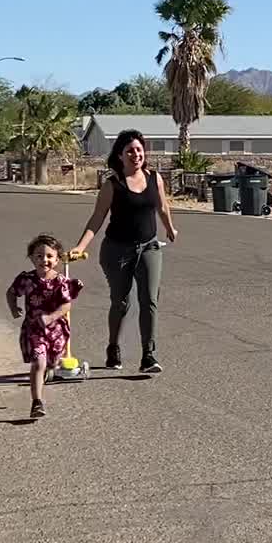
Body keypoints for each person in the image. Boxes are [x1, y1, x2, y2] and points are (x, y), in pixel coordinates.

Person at [71, 129, 177, 374]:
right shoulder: (113, 185)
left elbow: (162, 206)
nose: (135, 154)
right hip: (117, 250)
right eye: (130, 150)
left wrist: (169, 228)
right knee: (121, 302)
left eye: (139, 149)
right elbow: (97, 219)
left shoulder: (154, 178)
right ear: (120, 155)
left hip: (149, 246)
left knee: (149, 300)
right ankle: (113, 347)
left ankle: (148, 355)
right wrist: (80, 246)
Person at [6, 235, 82, 419]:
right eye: (39, 256)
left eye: (49, 256)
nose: (44, 260)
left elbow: (66, 305)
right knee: (38, 362)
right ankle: (37, 402)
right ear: (31, 257)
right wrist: (13, 307)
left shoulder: (60, 282)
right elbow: (11, 292)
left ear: (57, 259)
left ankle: (50, 369)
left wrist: (52, 317)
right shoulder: (26, 279)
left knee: (53, 362)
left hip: (56, 331)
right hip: (35, 329)